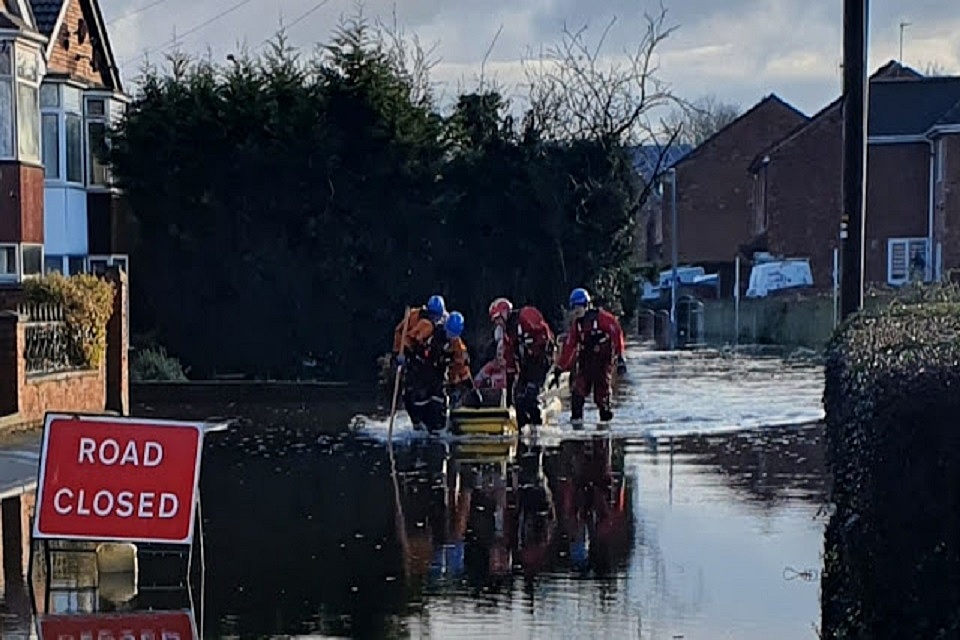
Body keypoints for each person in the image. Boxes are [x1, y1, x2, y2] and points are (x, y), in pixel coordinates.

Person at [553, 288, 627, 423]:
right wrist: (560, 367)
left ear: (586, 305)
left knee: (601, 396)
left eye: (578, 307)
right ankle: (576, 422)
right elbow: (569, 347)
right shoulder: (577, 326)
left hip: (602, 363)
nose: (576, 311)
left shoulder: (603, 319)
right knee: (577, 392)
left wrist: (621, 357)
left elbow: (617, 334)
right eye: (574, 307)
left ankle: (605, 420)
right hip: (585, 363)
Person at [488, 297, 556, 427]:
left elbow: (544, 334)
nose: (497, 323)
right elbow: (510, 361)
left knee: (531, 395)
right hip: (527, 365)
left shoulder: (525, 315)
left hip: (541, 361)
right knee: (518, 397)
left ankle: (538, 425)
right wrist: (508, 394)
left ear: (504, 312)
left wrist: (535, 347)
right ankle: (523, 429)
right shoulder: (508, 334)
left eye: (497, 318)